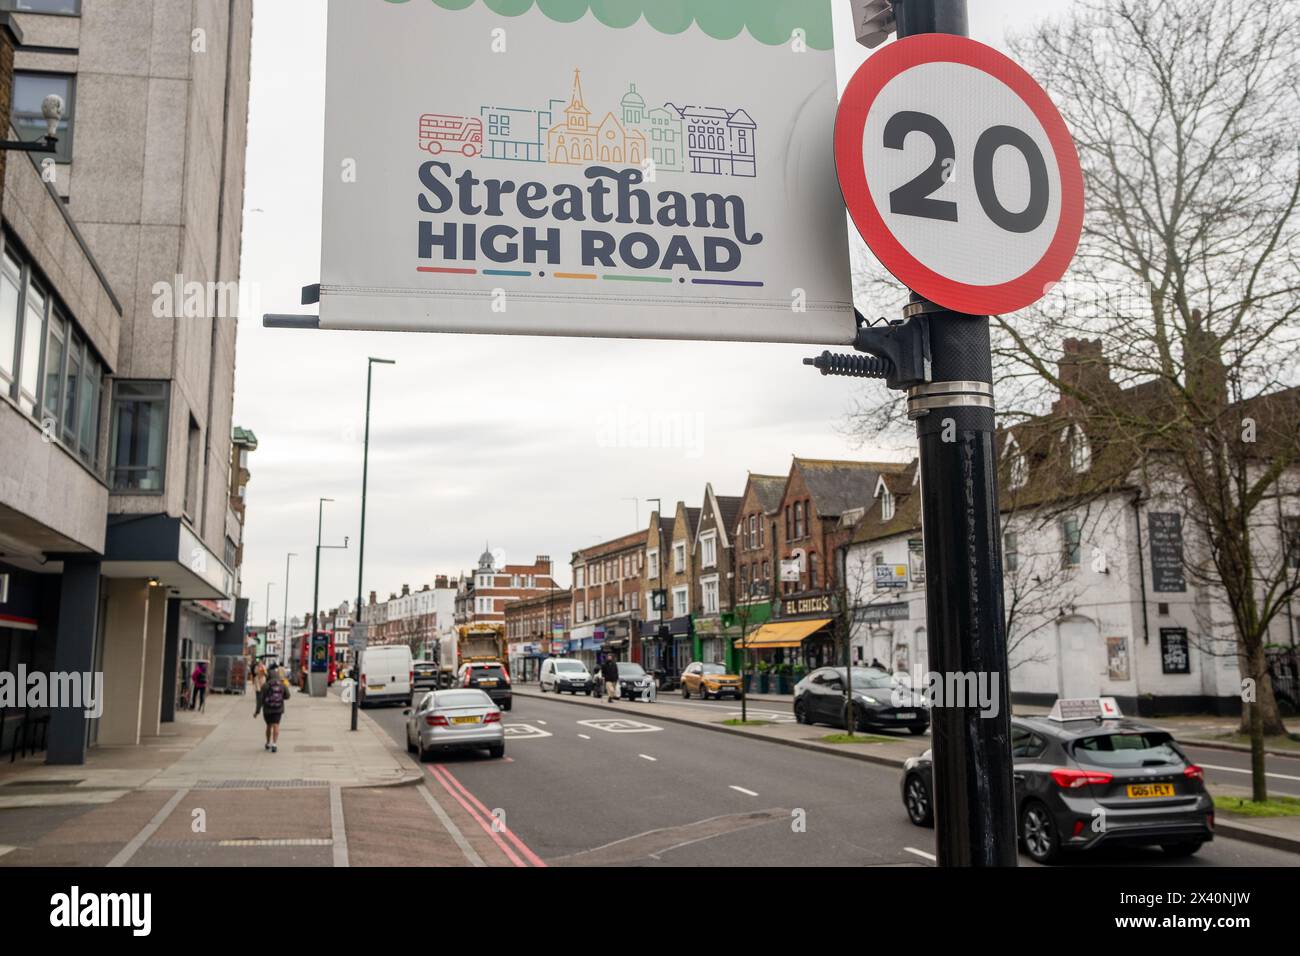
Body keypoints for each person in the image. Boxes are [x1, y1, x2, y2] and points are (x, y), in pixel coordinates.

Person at [262, 666, 288, 752]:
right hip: (278, 708)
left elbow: (261, 698)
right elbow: (288, 696)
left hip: (267, 709)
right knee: (276, 725)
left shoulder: (266, 685)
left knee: (269, 725)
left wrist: (257, 710)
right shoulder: (282, 684)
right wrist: (280, 697)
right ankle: (274, 744)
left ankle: (268, 742)